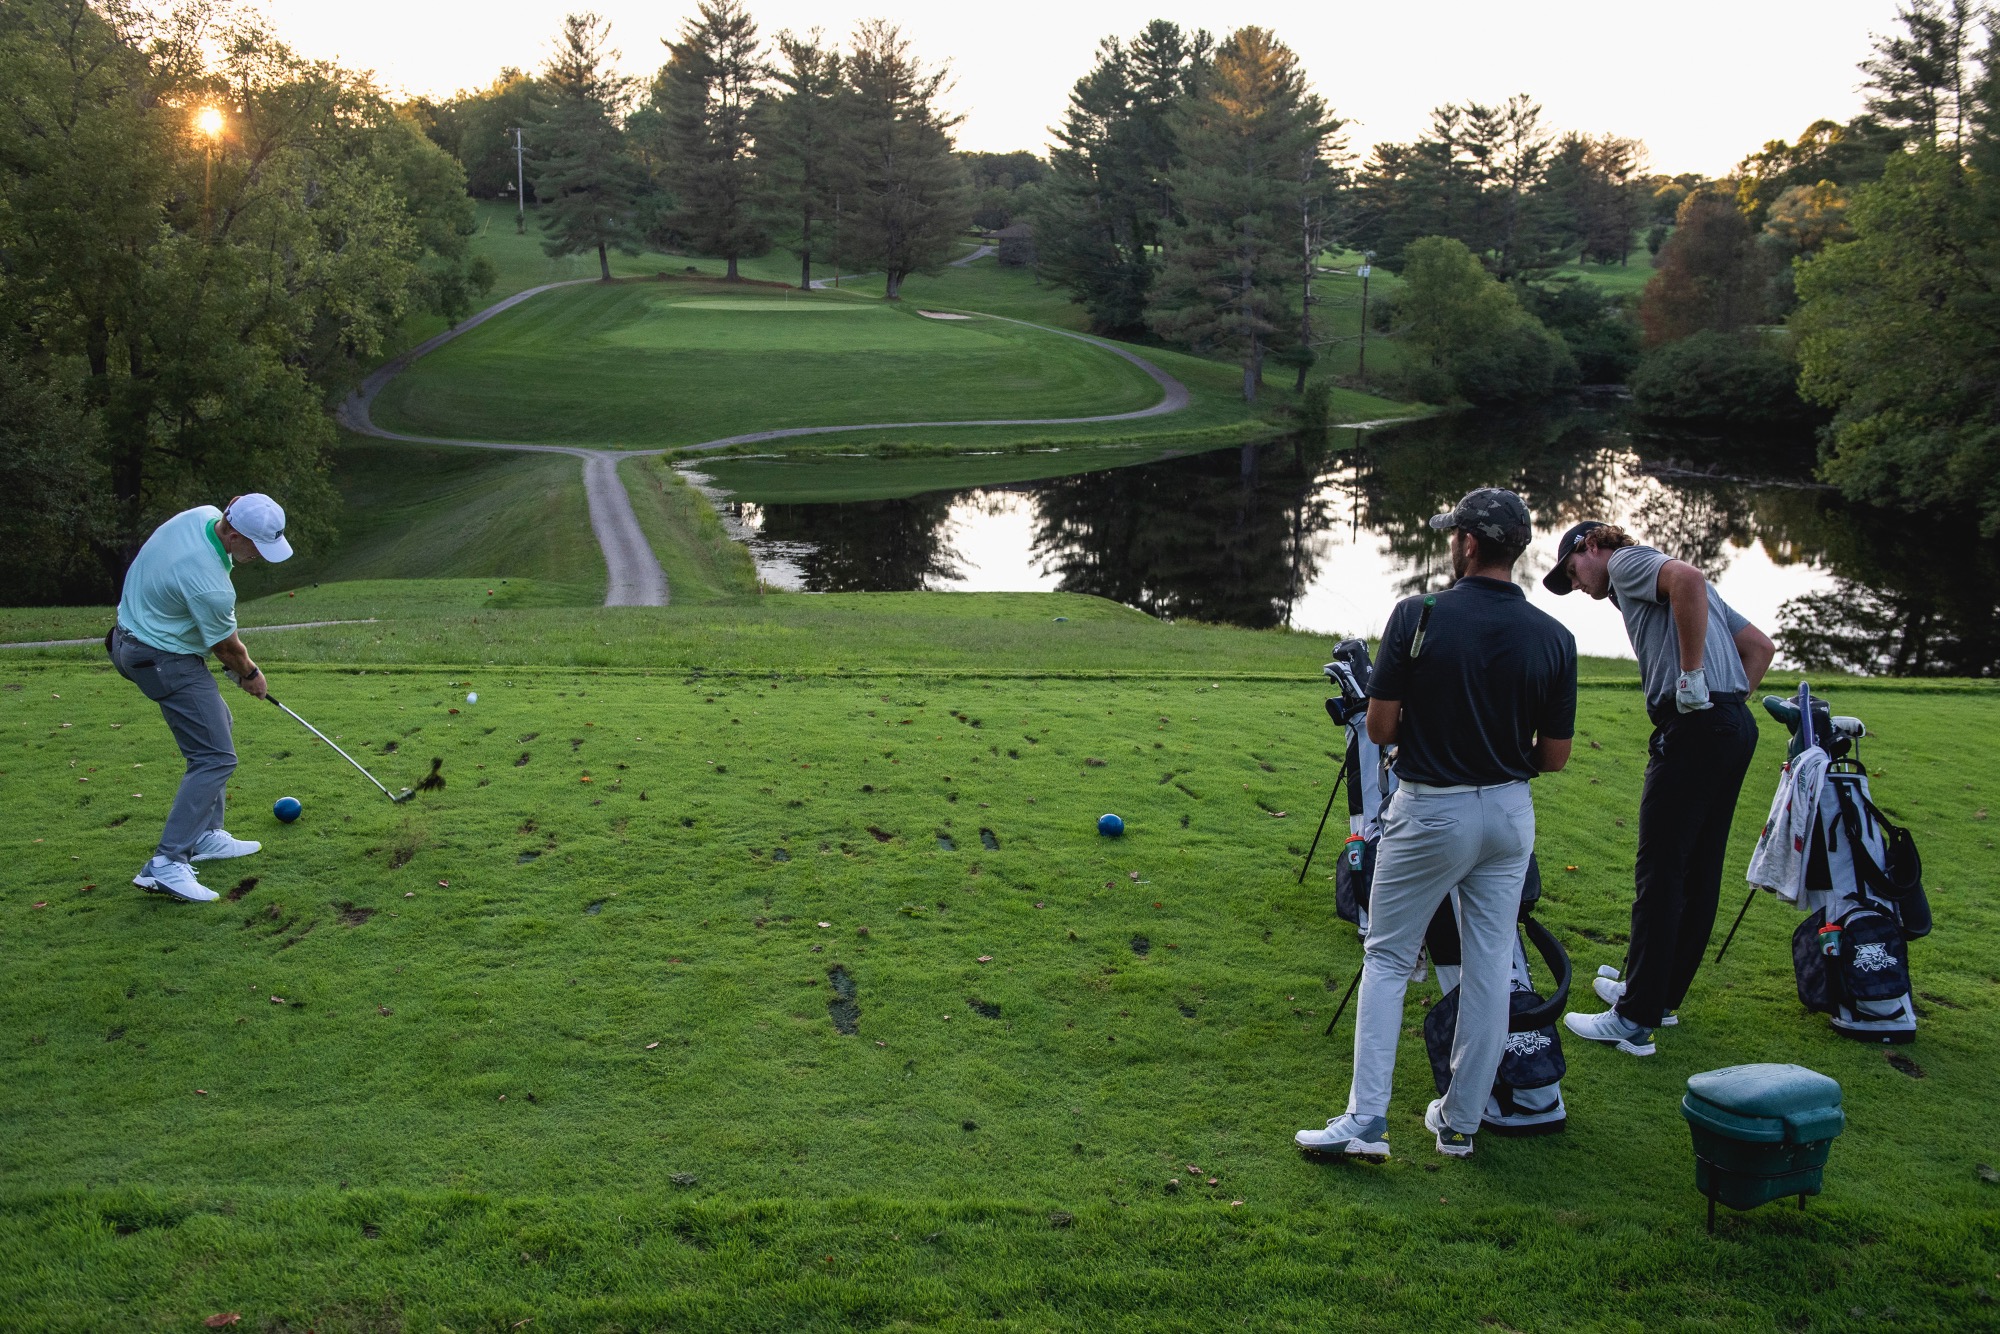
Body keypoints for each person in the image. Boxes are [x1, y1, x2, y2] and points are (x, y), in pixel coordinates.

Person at [1296, 488, 1575, 1160]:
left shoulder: (1417, 614)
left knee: (1389, 958)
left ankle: (1365, 1123)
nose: (1451, 543)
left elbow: (1382, 725)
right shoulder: (1555, 636)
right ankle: (1460, 1123)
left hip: (1431, 808)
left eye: (1454, 535)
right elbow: (1555, 756)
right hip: (1510, 815)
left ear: (1471, 544)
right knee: (1487, 970)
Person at [1544, 522, 1774, 1055]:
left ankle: (1634, 1016)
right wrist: (1727, 698)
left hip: (1694, 727)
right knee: (1698, 868)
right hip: (1731, 726)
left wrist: (1693, 678)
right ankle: (1659, 995)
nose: (1575, 584)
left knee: (1661, 871)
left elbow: (1688, 578)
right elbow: (1758, 647)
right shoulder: (1654, 584)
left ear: (1590, 547)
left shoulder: (1625, 563)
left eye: (1571, 571)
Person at [109, 494, 293, 902]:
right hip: (160, 658)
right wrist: (250, 675)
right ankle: (166, 864)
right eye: (257, 547)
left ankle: (207, 836)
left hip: (133, 637)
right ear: (233, 531)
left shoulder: (202, 516)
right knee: (215, 757)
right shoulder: (209, 583)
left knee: (218, 727)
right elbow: (227, 649)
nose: (260, 556)